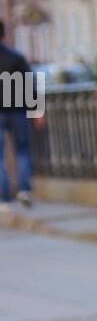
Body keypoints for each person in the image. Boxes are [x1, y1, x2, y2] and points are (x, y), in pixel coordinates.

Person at [0, 19, 38, 211]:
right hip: (16, 109)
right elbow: (30, 85)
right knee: (22, 150)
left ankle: (4, 199)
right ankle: (24, 190)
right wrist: (37, 111)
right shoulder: (16, 57)